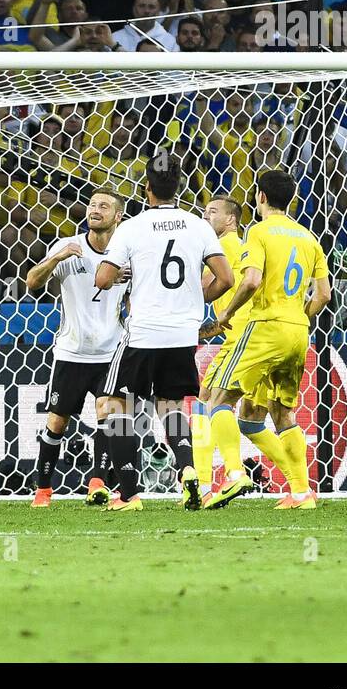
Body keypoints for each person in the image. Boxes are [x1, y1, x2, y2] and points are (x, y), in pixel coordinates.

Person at [94, 153, 233, 511]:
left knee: (115, 406)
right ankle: (189, 472)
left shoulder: (132, 227)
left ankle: (128, 494)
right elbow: (227, 278)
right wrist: (197, 300)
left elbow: (102, 278)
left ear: (146, 189)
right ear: (180, 188)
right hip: (183, 335)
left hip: (143, 333)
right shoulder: (198, 226)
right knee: (170, 406)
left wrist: (124, 275)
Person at [209, 170, 332, 510]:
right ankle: (300, 492)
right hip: (298, 330)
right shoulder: (308, 237)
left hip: (264, 325)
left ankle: (235, 475)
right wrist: (299, 317)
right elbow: (323, 294)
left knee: (218, 398)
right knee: (282, 412)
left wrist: (226, 314)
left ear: (260, 197)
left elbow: (250, 281)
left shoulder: (259, 232)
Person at [25, 189, 129, 509]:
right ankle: (43, 490)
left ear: (118, 217)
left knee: (107, 415)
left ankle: (97, 482)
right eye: (92, 204)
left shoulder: (127, 256)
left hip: (111, 351)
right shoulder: (68, 247)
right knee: (57, 422)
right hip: (72, 353)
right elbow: (31, 282)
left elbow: (137, 298)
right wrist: (56, 258)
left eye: (104, 206)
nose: (95, 210)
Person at [188, 196, 255, 509]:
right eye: (204, 211)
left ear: (231, 219)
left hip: (241, 340)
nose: (205, 216)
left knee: (212, 401)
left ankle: (230, 473)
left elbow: (201, 287)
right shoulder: (244, 247)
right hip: (248, 334)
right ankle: (299, 489)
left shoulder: (224, 246)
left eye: (212, 212)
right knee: (260, 418)